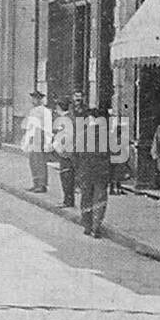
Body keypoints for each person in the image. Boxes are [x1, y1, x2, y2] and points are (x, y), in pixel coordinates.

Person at [77, 107, 112, 238]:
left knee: (86, 198)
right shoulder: (107, 135)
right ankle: (96, 226)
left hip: (86, 172)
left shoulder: (83, 134)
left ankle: (87, 225)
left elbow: (76, 154)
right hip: (102, 172)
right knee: (100, 199)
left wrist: (78, 171)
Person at [52, 94, 80, 208]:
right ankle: (68, 199)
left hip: (67, 152)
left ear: (59, 107)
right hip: (68, 151)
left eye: (57, 106)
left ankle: (68, 201)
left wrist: (59, 147)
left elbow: (68, 137)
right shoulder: (70, 117)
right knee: (66, 175)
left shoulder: (66, 119)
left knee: (66, 176)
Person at [22, 90, 52, 192]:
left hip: (41, 136)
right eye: (33, 98)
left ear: (40, 99)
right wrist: (27, 140)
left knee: (40, 161)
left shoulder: (45, 111)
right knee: (33, 161)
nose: (33, 100)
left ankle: (42, 185)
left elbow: (48, 127)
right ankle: (35, 183)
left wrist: (48, 142)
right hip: (33, 136)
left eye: (36, 98)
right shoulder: (32, 111)